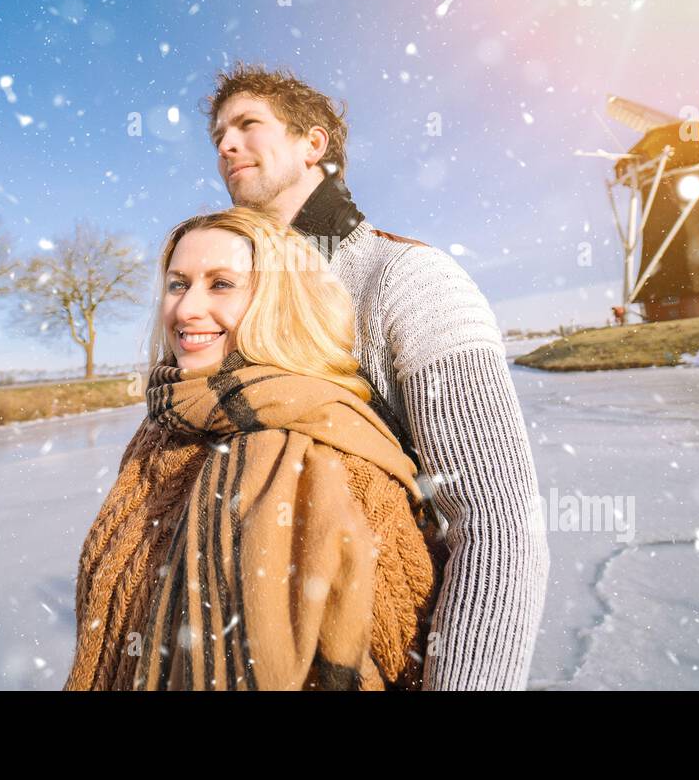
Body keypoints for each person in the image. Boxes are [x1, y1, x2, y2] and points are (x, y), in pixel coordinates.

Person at [202, 61, 550, 691]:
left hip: (384, 658)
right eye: (218, 136)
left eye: (248, 125)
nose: (226, 145)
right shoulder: (231, 306)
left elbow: (497, 525)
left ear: (314, 145)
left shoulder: (409, 279)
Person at [64, 206, 446, 690]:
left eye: (221, 284)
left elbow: (397, 658)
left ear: (279, 302)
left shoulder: (335, 451)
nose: (186, 309)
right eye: (178, 284)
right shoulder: (161, 430)